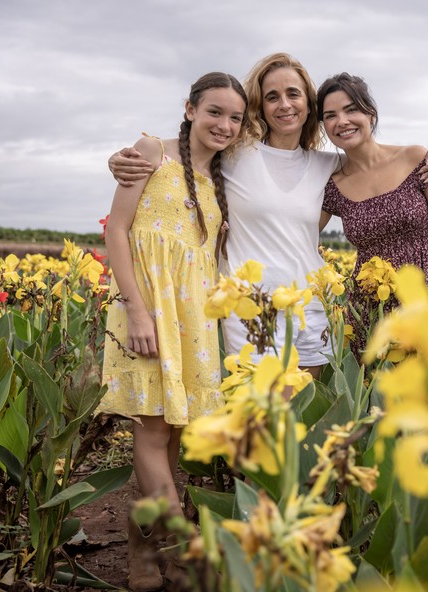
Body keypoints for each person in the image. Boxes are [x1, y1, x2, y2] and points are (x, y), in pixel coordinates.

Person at [109, 53, 428, 377]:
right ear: (260, 106)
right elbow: (186, 151)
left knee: (302, 414)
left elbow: (373, 167)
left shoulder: (330, 167)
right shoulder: (233, 154)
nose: (284, 104)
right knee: (263, 416)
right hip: (252, 310)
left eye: (293, 94)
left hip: (312, 309)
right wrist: (126, 157)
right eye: (272, 97)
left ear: (308, 105)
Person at [98, 72, 248, 591]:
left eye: (234, 117)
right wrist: (136, 310)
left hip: (195, 318)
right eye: (214, 112)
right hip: (147, 309)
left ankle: (141, 555)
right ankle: (184, 549)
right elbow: (116, 229)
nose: (224, 124)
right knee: (153, 431)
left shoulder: (223, 178)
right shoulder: (150, 151)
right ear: (189, 109)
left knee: (177, 438)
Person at [317, 73, 428, 354]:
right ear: (324, 126)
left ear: (370, 114)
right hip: (372, 313)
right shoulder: (332, 185)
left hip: (427, 300)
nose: (342, 121)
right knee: (376, 396)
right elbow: (297, 232)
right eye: (330, 115)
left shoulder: (417, 158)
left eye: (351, 109)